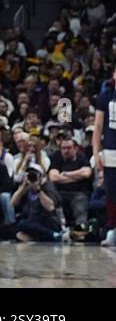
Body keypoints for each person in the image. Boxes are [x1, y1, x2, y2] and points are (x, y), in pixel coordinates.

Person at [1, 162, 62, 242]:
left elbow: (50, 207)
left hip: (47, 221)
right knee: (4, 231)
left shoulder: (48, 186)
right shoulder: (28, 187)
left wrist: (38, 190)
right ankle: (40, 238)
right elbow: (12, 203)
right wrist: (22, 187)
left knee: (22, 224)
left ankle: (54, 234)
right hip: (32, 222)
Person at [47, 135, 93, 240]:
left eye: (69, 148)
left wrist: (65, 174)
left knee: (80, 204)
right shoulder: (56, 157)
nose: (66, 151)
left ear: (75, 148)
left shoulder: (82, 157)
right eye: (63, 148)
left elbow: (86, 173)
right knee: (52, 200)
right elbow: (53, 177)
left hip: (78, 192)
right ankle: (57, 232)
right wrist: (76, 177)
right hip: (60, 192)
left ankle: (80, 233)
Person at [92, 67, 116, 246]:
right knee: (111, 193)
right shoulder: (105, 96)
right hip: (110, 151)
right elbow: (98, 127)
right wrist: (96, 152)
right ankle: (112, 229)